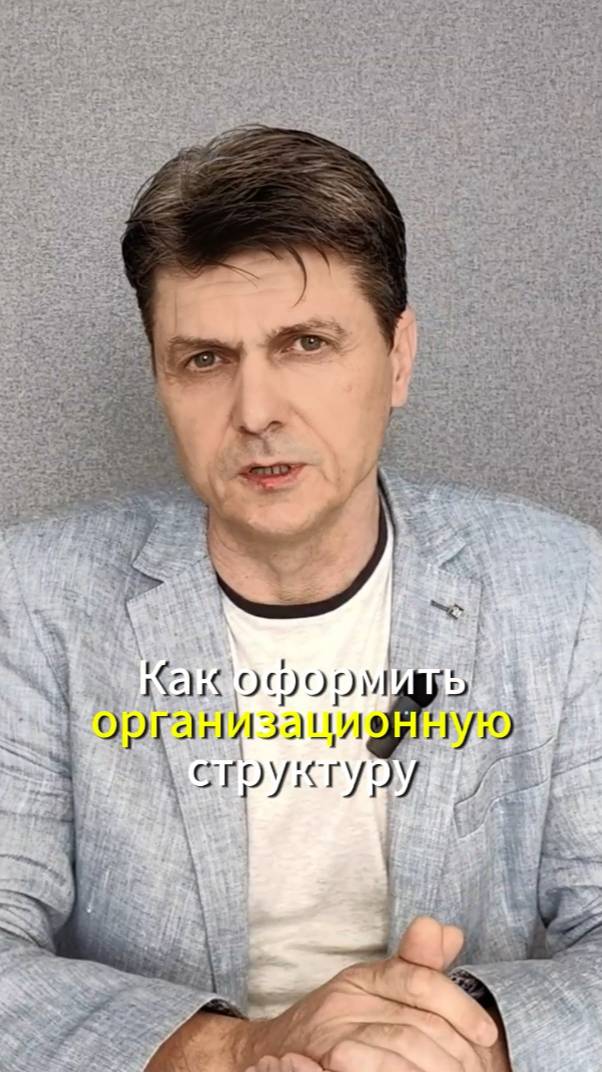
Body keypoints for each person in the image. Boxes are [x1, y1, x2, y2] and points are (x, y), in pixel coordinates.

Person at [0, 124, 600, 1072]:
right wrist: (238, 1051)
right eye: (204, 359)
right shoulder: (33, 598)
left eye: (306, 344)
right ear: (159, 376)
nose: (255, 412)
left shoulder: (563, 586)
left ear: (398, 359)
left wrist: (464, 1043)